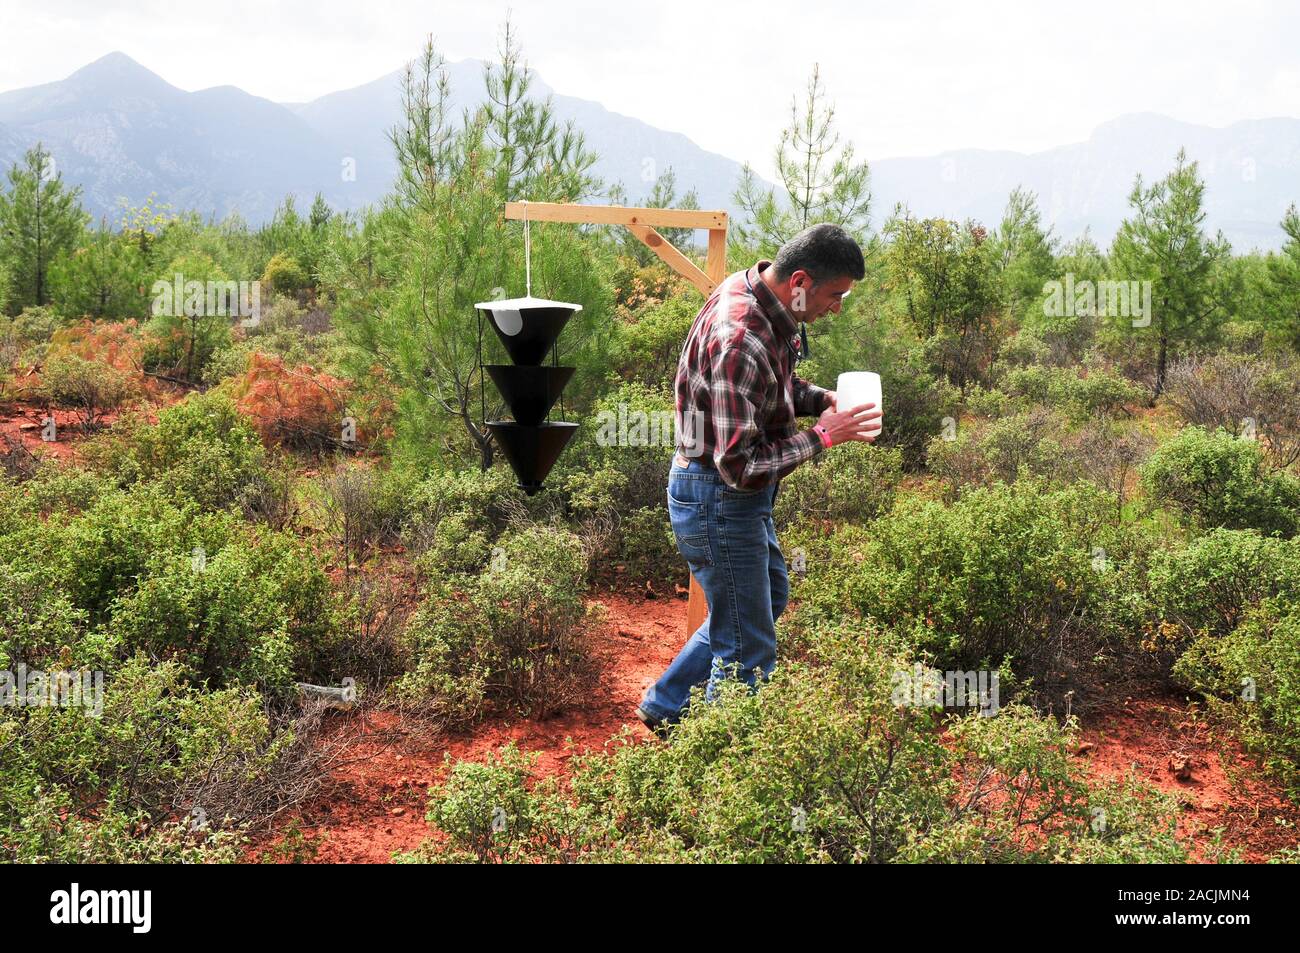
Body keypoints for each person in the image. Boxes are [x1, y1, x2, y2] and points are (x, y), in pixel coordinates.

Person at [637, 223, 882, 735]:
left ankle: (667, 705)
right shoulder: (740, 339)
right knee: (748, 649)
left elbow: (775, 382)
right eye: (835, 295)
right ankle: (721, 758)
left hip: (725, 497)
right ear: (801, 282)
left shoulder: (759, 295)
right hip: (718, 498)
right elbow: (740, 467)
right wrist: (825, 435)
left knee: (764, 600)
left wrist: (823, 400)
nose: (837, 308)